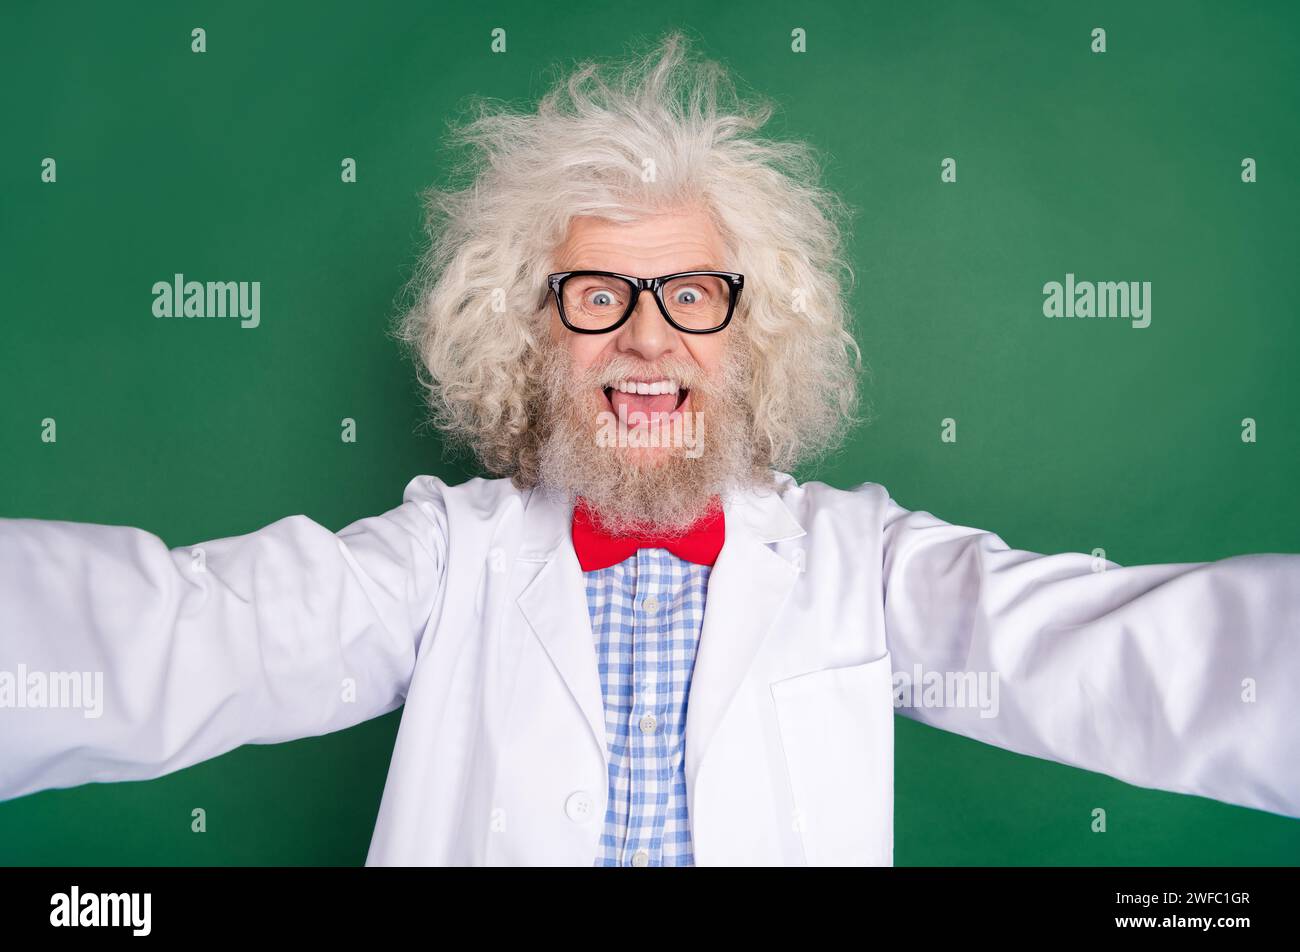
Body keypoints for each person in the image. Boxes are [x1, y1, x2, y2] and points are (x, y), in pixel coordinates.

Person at [1, 35, 1297, 867]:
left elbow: (1128, 657)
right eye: (596, 296)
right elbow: (190, 634)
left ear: (752, 331)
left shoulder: (864, 562)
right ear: (527, 336)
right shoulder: (442, 560)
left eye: (691, 295)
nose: (645, 338)